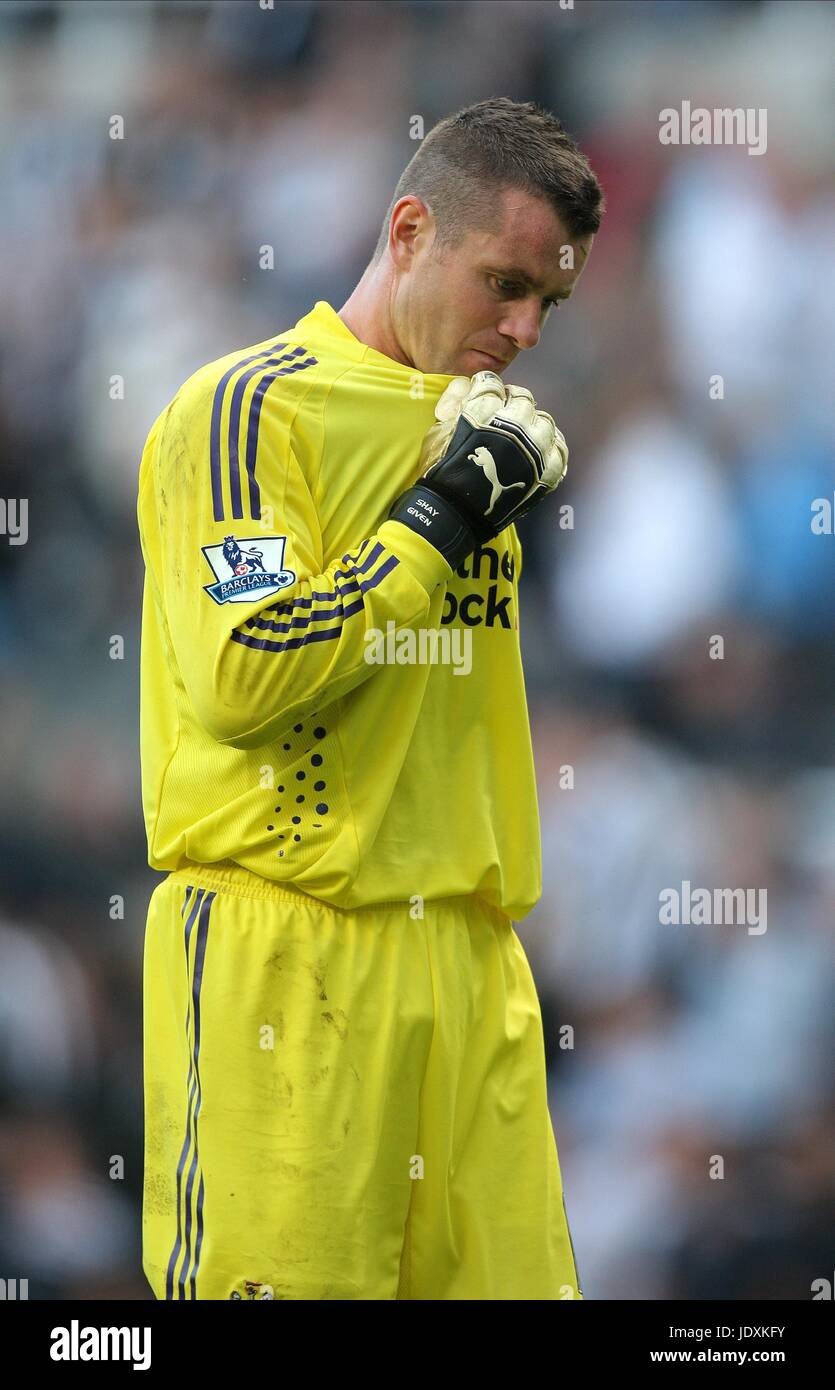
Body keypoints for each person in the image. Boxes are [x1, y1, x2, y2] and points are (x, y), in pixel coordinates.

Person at [137, 96, 603, 1300]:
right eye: (503, 283)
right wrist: (440, 517)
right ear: (408, 231)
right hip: (288, 947)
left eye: (547, 302)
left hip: (471, 957)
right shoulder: (245, 408)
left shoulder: (489, 432)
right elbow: (247, 674)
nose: (524, 328)